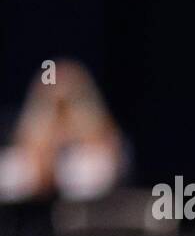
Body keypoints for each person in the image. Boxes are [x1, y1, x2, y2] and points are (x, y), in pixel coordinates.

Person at [0, 59, 126, 203]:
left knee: (90, 166)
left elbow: (107, 150)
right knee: (14, 168)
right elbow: (31, 149)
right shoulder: (37, 126)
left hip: (90, 202)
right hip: (34, 202)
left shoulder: (100, 137)